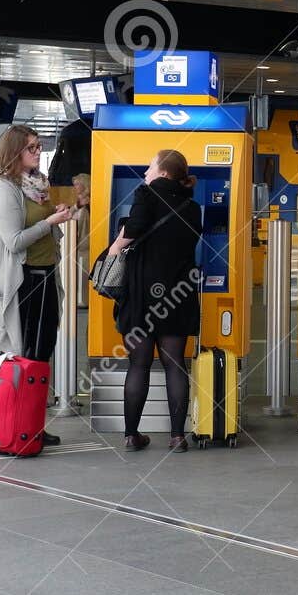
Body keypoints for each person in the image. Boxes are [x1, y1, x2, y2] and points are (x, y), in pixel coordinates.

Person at [0, 127, 73, 447]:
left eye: (39, 146)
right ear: (15, 152)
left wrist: (57, 217)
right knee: (24, 355)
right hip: (25, 281)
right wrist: (49, 223)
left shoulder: (38, 185)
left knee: (42, 353)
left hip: (46, 275)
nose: (37, 152)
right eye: (31, 147)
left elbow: (45, 231)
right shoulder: (6, 190)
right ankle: (17, 424)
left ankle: (32, 423)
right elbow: (14, 241)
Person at [106, 150, 201, 453]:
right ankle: (177, 436)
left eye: (150, 166)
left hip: (141, 294)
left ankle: (132, 435)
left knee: (139, 365)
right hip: (178, 293)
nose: (146, 171)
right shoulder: (192, 207)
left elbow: (133, 230)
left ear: (162, 173)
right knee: (175, 365)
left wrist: (114, 249)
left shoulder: (145, 195)